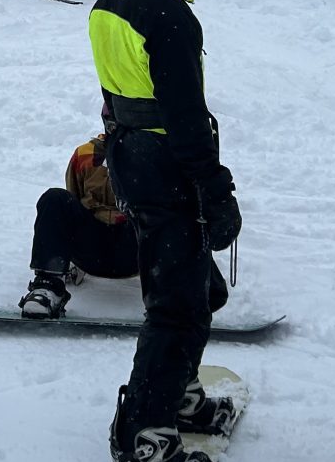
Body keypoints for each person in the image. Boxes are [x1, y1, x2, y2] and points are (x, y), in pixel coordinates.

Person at [90, 0, 242, 462]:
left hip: (131, 151)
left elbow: (117, 89)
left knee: (191, 287)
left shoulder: (113, 0)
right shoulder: (170, 15)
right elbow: (184, 114)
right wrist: (215, 188)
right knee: (178, 305)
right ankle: (143, 436)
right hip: (166, 159)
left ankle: (178, 393)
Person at [18, 121, 230, 319]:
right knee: (55, 199)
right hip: (92, 246)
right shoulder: (85, 154)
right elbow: (70, 203)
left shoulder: (156, 156)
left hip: (137, 249)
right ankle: (48, 286)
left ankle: (172, 298)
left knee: (171, 214)